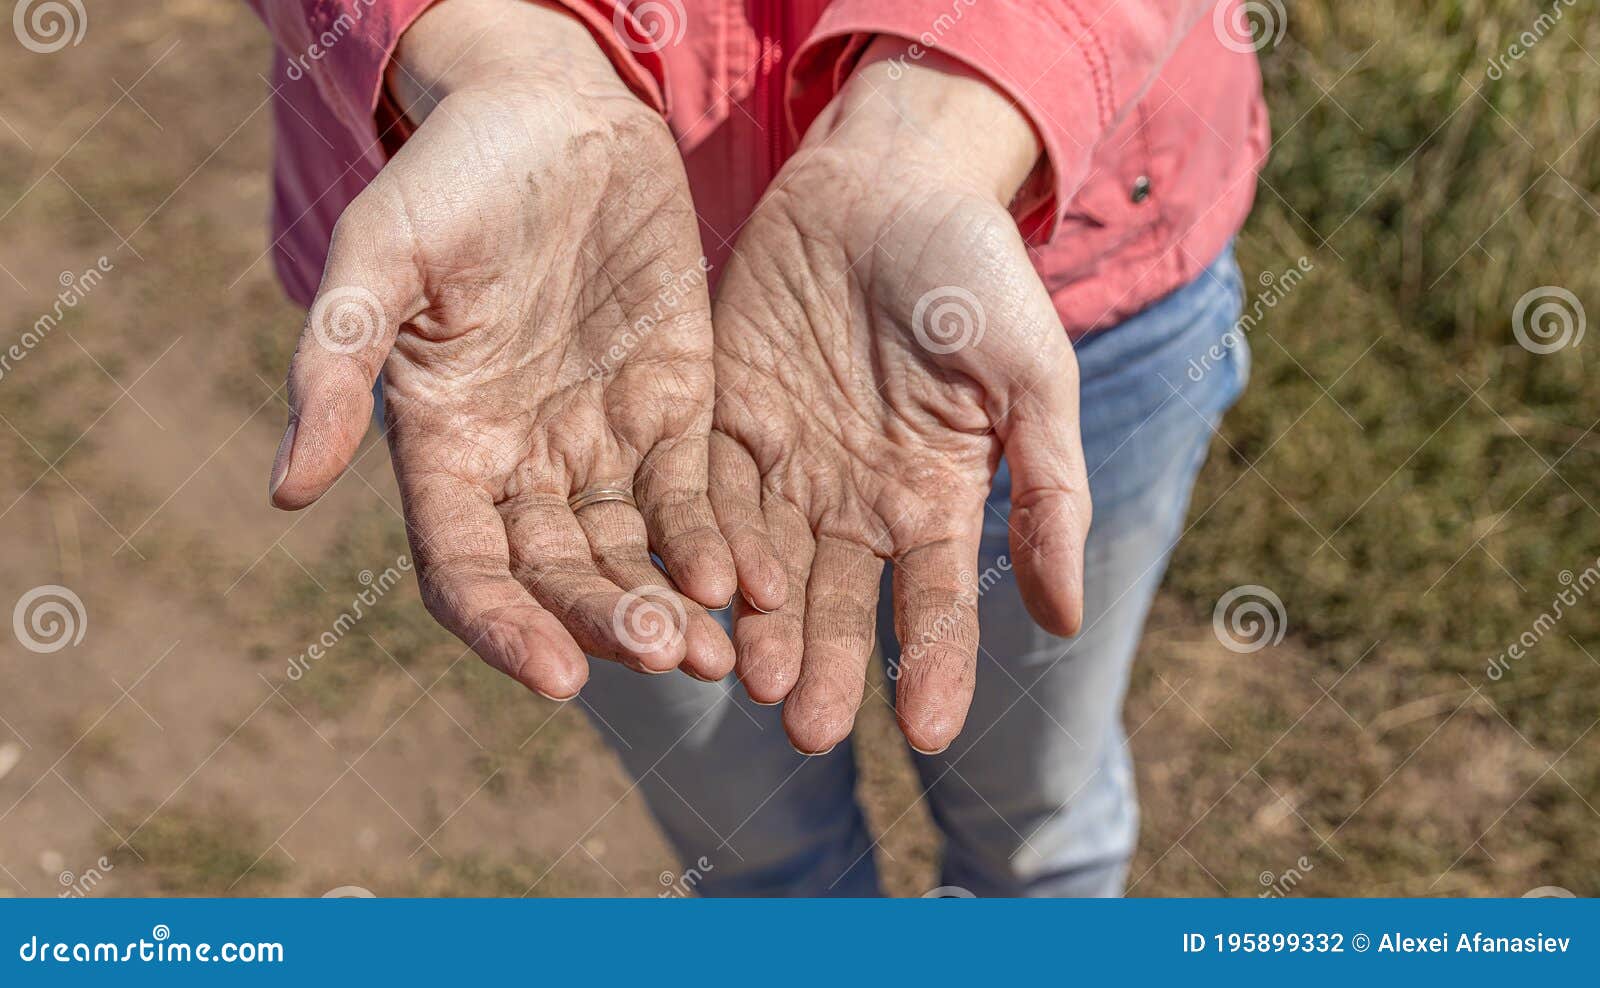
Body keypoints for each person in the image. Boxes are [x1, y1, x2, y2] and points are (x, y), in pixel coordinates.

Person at [245, 0, 1266, 896]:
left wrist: (946, 118)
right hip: (546, 326)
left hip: (1053, 264)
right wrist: (495, 49)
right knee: (759, 862)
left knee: (1039, 829)